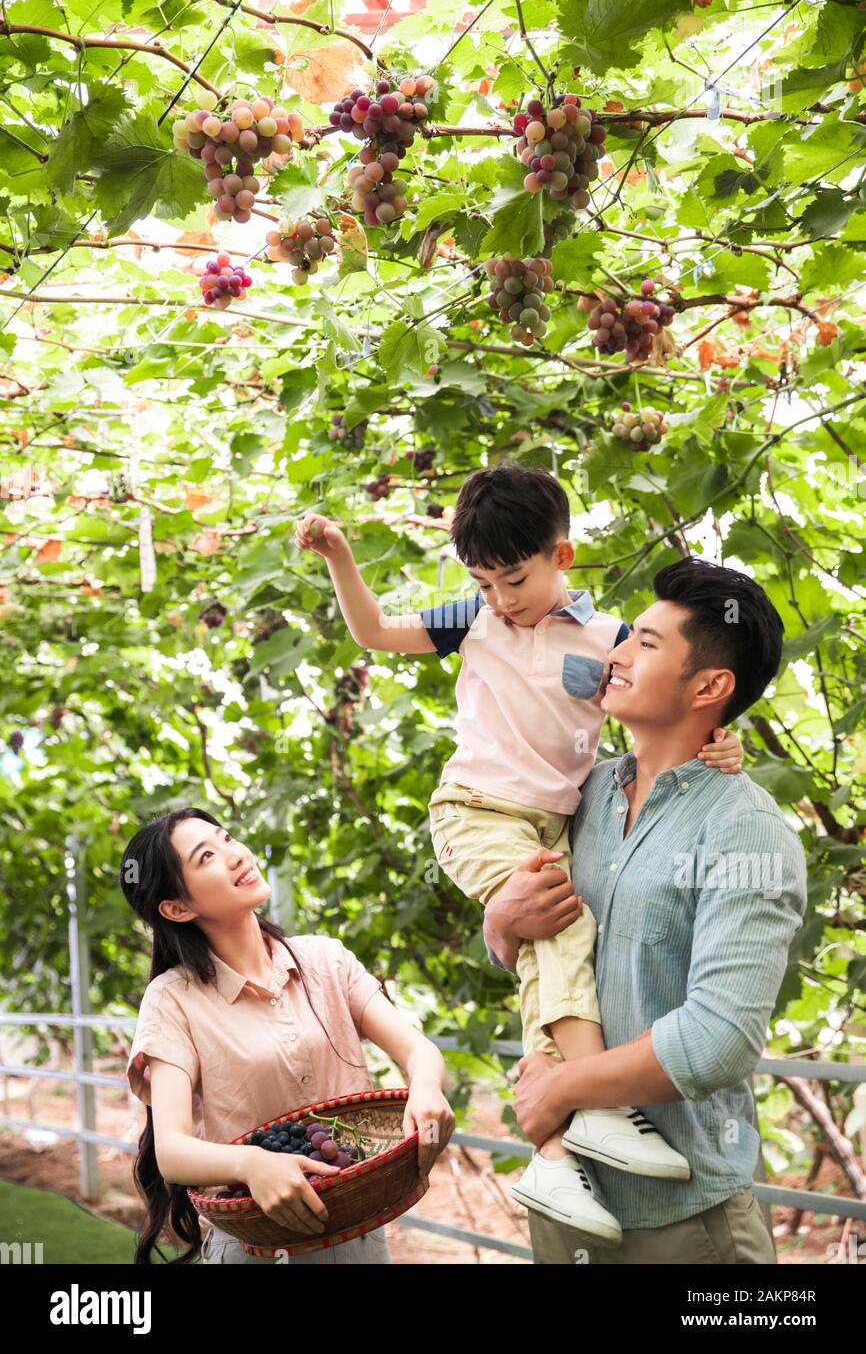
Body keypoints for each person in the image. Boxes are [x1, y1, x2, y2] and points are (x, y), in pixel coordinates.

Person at [294, 464, 743, 1241]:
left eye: (513, 579)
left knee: (552, 954)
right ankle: (594, 1103)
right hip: (474, 810)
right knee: (562, 928)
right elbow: (372, 632)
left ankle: (555, 1154)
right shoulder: (473, 621)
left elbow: (673, 698)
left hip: (547, 825)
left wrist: (718, 739)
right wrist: (338, 555)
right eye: (484, 581)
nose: (502, 599)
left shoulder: (608, 641)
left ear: (561, 557)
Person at [483, 555, 808, 1264]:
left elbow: (718, 1037)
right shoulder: (581, 793)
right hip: (567, 1199)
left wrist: (560, 1087)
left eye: (648, 644)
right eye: (627, 635)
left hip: (684, 1222)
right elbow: (533, 947)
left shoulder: (745, 830)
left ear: (711, 686)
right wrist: (501, 923)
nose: (618, 653)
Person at [121, 806, 454, 1264]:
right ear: (177, 907)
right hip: (254, 1245)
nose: (235, 854)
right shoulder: (172, 999)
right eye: (207, 857)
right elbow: (172, 1152)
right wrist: (250, 1163)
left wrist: (427, 1085)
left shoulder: (325, 960)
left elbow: (417, 1050)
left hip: (358, 1234)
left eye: (228, 838)